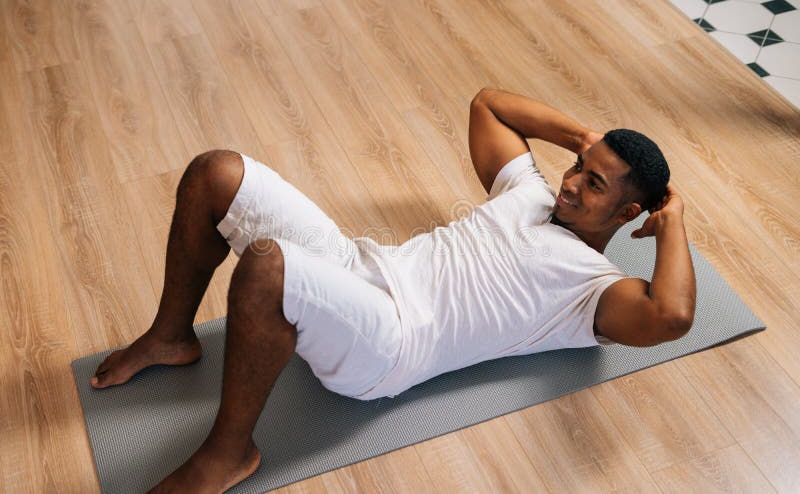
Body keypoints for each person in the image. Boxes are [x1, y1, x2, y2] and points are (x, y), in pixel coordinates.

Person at [89, 87, 696, 492]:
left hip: (389, 344)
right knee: (216, 171)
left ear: (629, 212)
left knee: (268, 265)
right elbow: (489, 105)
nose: (569, 185)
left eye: (593, 185)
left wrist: (675, 222)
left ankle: (229, 453)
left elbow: (670, 316)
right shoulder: (530, 190)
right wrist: (585, 138)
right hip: (358, 265)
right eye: (576, 169)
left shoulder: (593, 292)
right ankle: (171, 337)